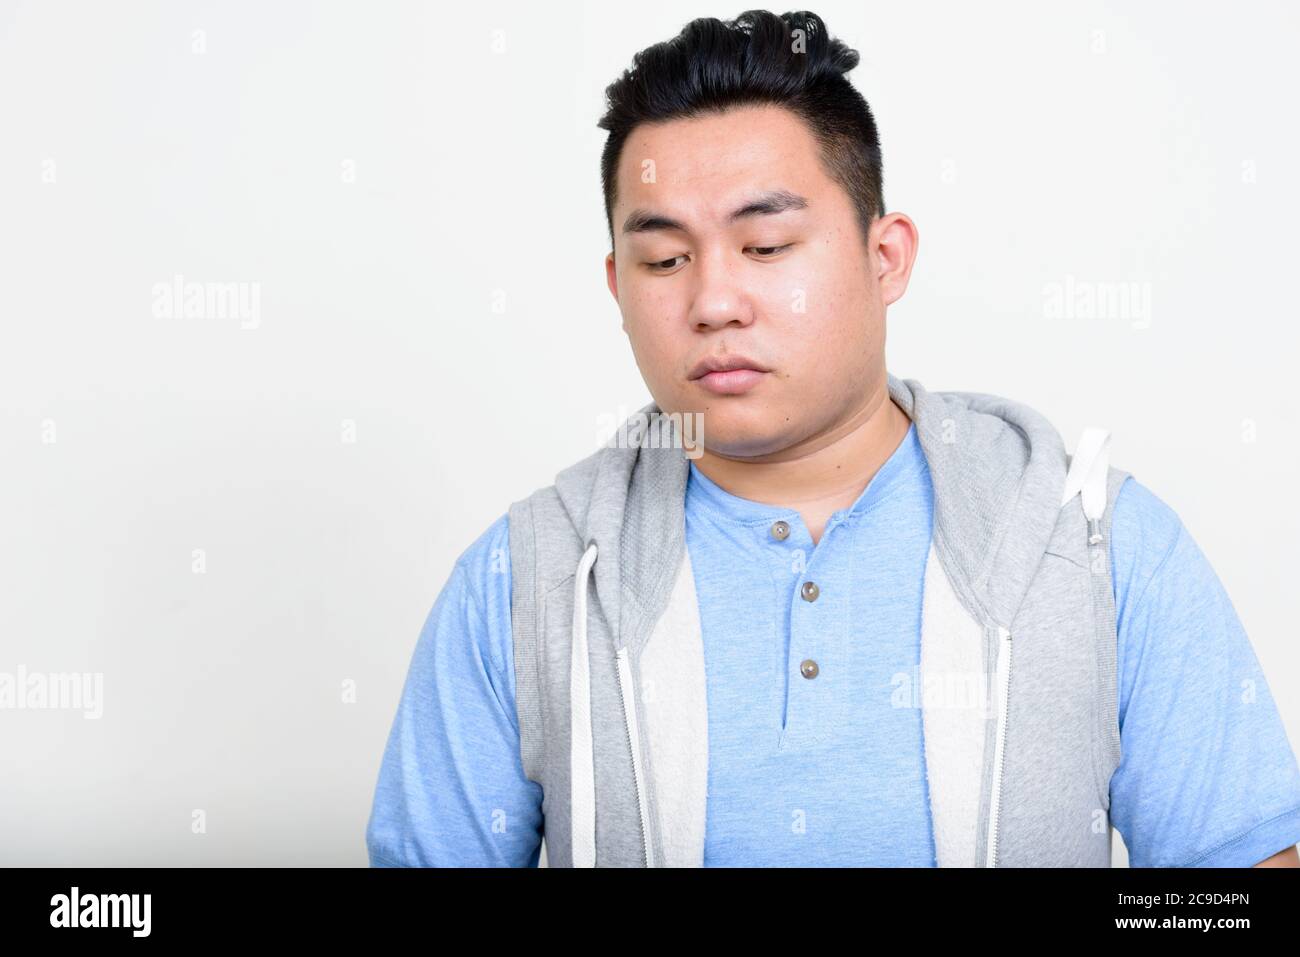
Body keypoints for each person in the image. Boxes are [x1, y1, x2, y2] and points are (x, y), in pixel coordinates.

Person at [365, 9, 1300, 867]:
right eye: (665, 258)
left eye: (766, 247)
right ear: (618, 286)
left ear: (885, 258)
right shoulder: (527, 578)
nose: (714, 301)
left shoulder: (1095, 543)